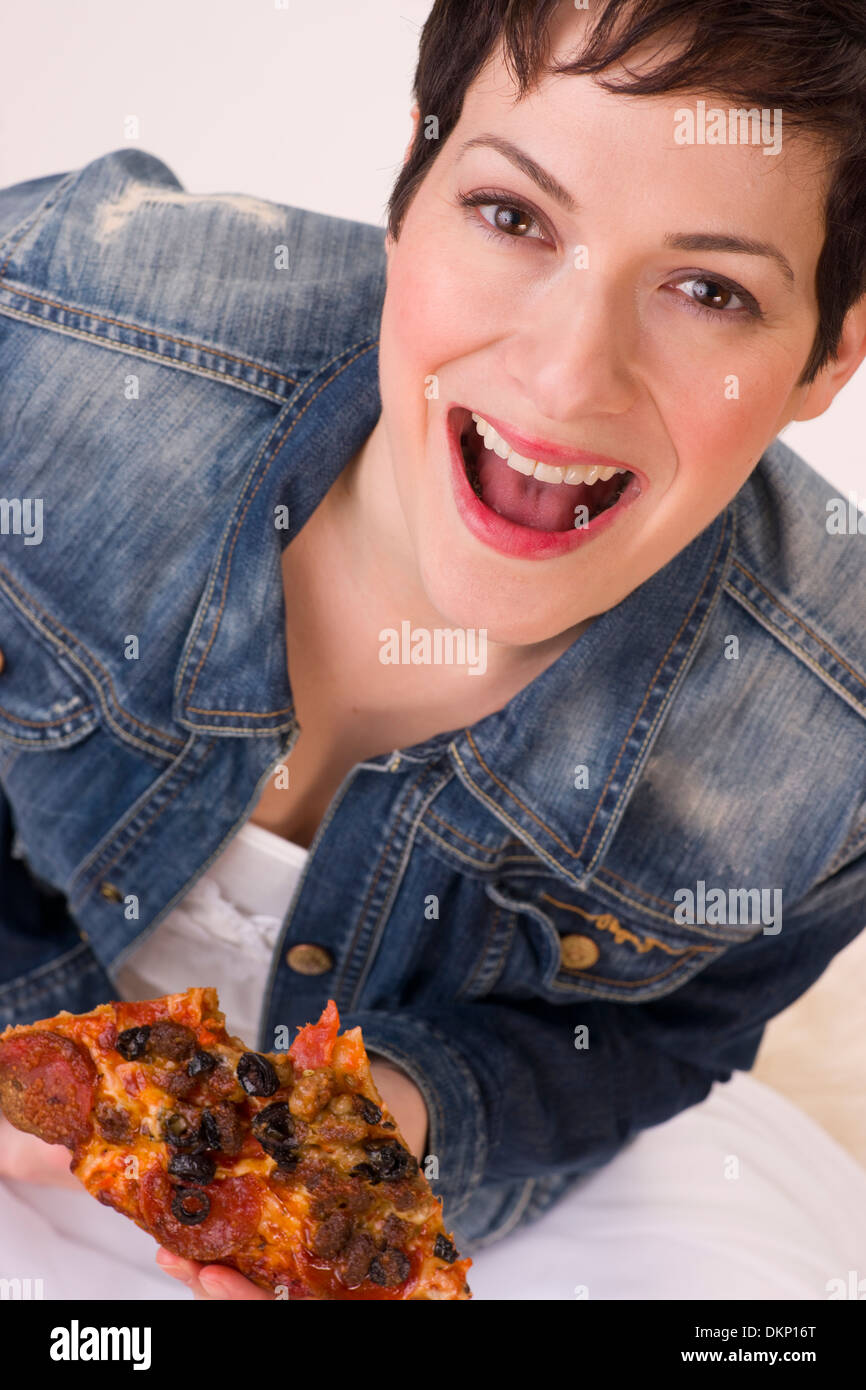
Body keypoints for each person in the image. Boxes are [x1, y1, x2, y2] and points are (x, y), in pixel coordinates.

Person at [1, 0, 865, 1301]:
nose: (568, 377)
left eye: (708, 289)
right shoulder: (47, 325)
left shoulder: (831, 744)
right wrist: (39, 1034)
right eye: (514, 216)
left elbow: (659, 1035)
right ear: (415, 168)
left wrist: (396, 1119)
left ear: (827, 354)